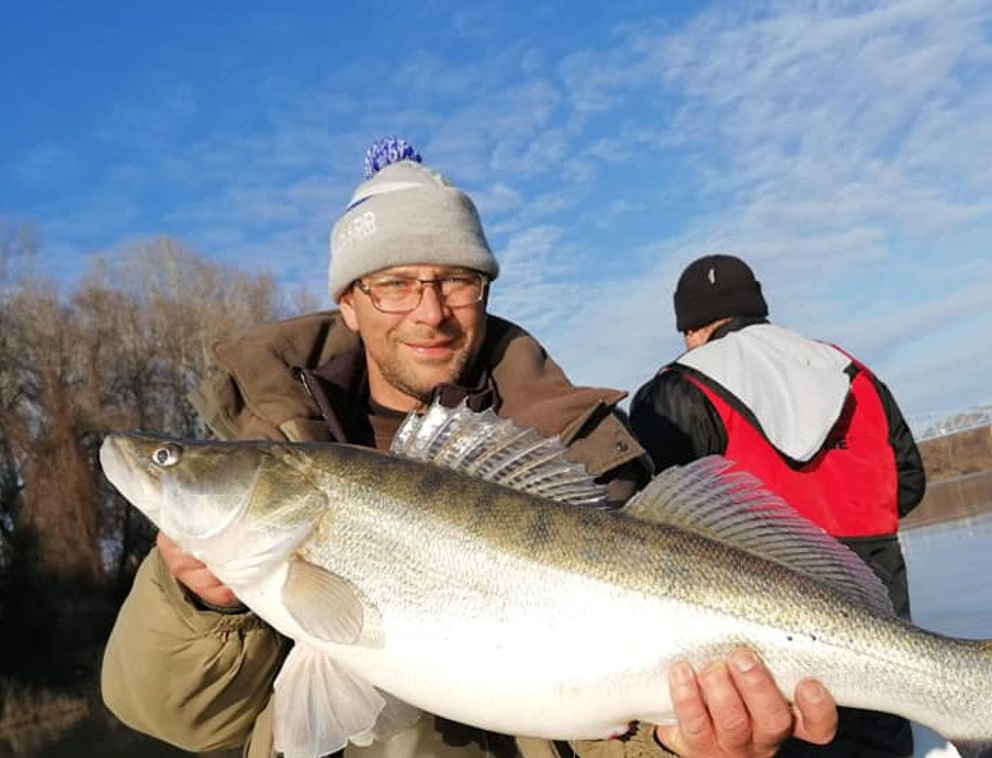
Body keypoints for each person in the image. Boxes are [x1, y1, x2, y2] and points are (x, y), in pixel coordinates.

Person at [101, 140, 840, 758]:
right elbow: (180, 719)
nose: (429, 312)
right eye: (394, 284)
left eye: (456, 282)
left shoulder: (571, 445)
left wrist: (675, 746)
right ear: (350, 303)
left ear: (484, 291)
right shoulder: (268, 464)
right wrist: (197, 602)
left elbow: (601, 713)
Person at [629, 255, 926, 758]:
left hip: (765, 599)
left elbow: (666, 519)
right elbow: (910, 481)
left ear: (691, 327)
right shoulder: (849, 369)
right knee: (883, 728)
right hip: (879, 579)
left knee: (787, 733)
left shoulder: (676, 387)